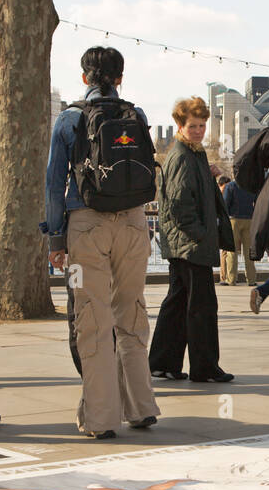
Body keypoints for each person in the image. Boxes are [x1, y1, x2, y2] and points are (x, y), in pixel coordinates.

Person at [44, 46, 161, 439]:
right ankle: (142, 407)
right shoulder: (137, 115)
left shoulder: (70, 118)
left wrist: (56, 238)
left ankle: (100, 418)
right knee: (132, 314)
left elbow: (53, 182)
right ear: (120, 78)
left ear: (84, 78)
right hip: (134, 224)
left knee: (92, 320)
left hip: (86, 226)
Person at [149, 96, 235, 384]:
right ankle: (205, 367)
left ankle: (163, 362)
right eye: (193, 125)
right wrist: (201, 235)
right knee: (202, 307)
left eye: (202, 125)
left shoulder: (190, 153)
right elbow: (179, 204)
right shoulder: (184, 157)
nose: (199, 130)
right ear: (180, 125)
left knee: (177, 303)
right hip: (190, 244)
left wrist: (208, 175)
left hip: (181, 243)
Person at [220, 174, 258, 286]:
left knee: (232, 250)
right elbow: (256, 202)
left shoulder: (230, 186)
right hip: (249, 219)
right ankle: (251, 279)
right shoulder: (251, 186)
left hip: (234, 219)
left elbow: (225, 204)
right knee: (248, 251)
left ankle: (231, 279)